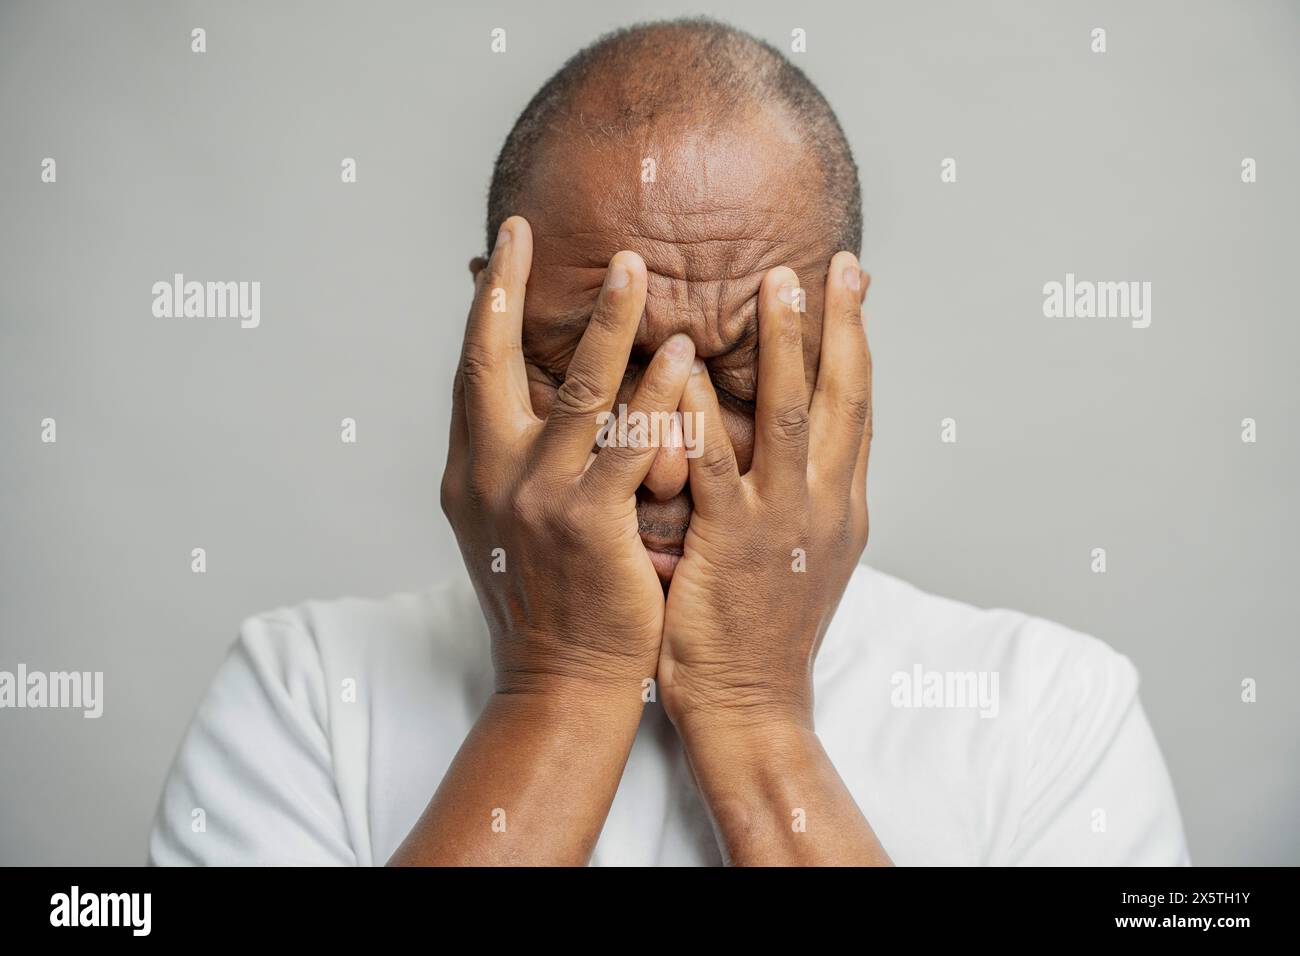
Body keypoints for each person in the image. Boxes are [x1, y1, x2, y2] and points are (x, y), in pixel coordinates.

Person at [149, 18, 1188, 866]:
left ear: (841, 360)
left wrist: (756, 716)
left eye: (744, 380)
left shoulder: (1051, 711)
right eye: (584, 365)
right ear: (487, 337)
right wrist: (560, 687)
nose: (660, 459)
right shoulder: (305, 693)